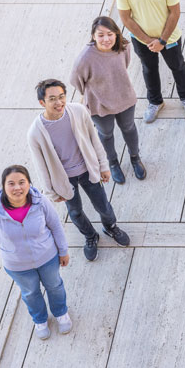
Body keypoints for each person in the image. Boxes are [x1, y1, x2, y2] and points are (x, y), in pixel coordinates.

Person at [28, 79, 131, 262]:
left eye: (61, 96)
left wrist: (103, 166)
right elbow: (40, 165)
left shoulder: (78, 111)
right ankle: (90, 236)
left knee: (103, 205)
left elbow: (94, 139)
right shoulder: (35, 132)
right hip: (64, 179)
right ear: (42, 102)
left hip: (87, 170)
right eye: (52, 99)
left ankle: (110, 227)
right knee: (75, 212)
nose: (59, 102)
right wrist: (51, 192)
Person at [0, 165, 72, 340]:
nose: (17, 188)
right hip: (17, 266)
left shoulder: (40, 202)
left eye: (22, 182)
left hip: (48, 258)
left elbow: (56, 226)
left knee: (55, 286)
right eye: (11, 183)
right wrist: (5, 243)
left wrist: (63, 251)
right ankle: (40, 320)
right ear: (4, 186)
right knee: (30, 293)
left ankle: (61, 313)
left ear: (29, 183)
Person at [70, 16, 146, 185]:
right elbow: (76, 80)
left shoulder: (123, 46)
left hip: (124, 98)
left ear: (116, 34)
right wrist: (96, 92)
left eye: (110, 34)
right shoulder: (85, 59)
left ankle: (135, 157)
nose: (106, 39)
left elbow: (124, 65)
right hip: (99, 105)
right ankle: (112, 163)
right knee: (106, 134)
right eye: (101, 35)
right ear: (93, 36)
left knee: (129, 128)